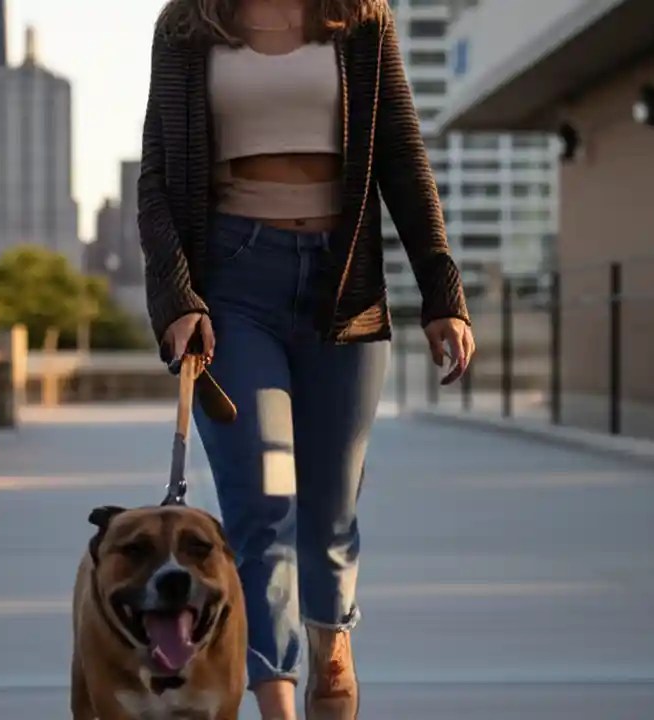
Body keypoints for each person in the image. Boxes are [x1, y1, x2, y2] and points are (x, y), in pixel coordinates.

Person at [138, 0, 474, 717]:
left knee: (328, 513)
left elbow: (401, 156)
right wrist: (177, 300)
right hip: (233, 287)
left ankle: (331, 640)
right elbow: (158, 179)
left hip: (342, 286)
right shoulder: (188, 25)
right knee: (263, 503)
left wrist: (442, 291)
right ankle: (279, 701)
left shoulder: (360, 19)